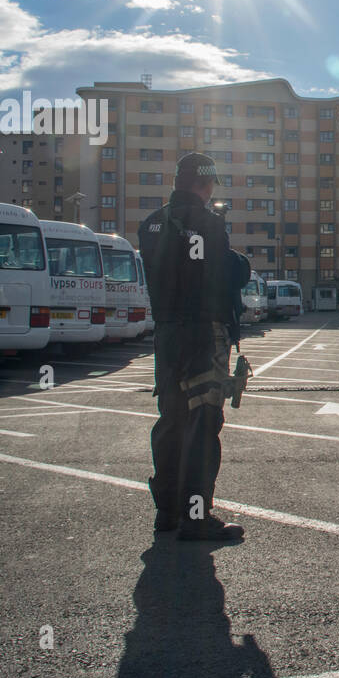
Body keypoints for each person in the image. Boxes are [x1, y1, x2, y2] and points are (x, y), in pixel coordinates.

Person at [138, 152, 252, 541]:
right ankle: (196, 516)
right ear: (205, 184)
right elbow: (223, 275)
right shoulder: (208, 222)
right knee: (203, 423)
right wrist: (241, 263)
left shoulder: (150, 225)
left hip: (167, 334)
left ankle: (167, 512)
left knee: (171, 419)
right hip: (205, 334)